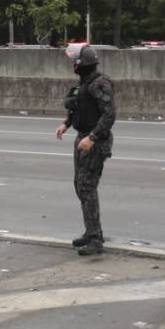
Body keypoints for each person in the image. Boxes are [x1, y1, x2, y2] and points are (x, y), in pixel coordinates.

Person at [55, 43, 116, 256]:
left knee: (87, 186)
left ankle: (96, 238)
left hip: (95, 140)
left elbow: (109, 114)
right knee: (80, 186)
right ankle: (90, 232)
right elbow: (77, 108)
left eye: (76, 61)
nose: (74, 64)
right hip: (82, 138)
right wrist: (66, 124)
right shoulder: (83, 84)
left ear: (84, 63)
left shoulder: (100, 84)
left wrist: (93, 137)